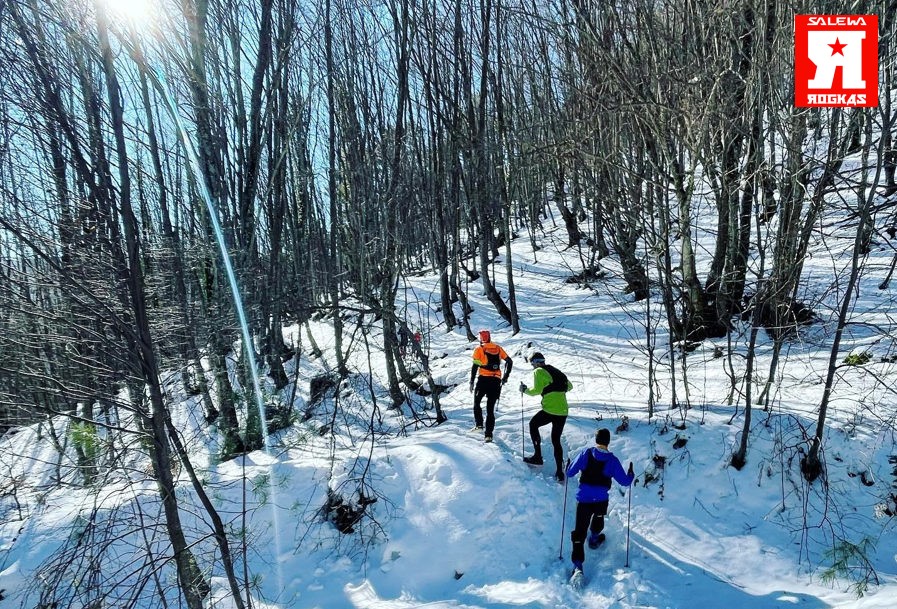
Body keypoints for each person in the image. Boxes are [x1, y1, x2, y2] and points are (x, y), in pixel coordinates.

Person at [565, 428, 634, 579]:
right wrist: (630, 475)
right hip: (601, 500)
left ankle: (577, 567)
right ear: (608, 442)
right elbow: (624, 482)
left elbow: (570, 473)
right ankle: (595, 539)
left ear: (596, 440)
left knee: (579, 531)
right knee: (598, 518)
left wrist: (568, 466)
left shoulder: (586, 454)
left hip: (583, 499)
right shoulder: (612, 460)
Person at [519, 352, 571, 480]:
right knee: (556, 440)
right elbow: (569, 386)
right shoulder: (555, 370)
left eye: (532, 364)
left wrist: (524, 390)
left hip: (549, 409)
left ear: (536, 362)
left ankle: (537, 457)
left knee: (533, 424)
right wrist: (554, 388)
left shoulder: (539, 371)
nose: (533, 367)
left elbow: (536, 391)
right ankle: (560, 472)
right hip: (563, 410)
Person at [469, 330, 513, 442]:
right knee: (490, 409)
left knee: (477, 402)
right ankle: (488, 435)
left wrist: (472, 381)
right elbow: (509, 361)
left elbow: (475, 366)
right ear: (489, 337)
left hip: (483, 380)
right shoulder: (498, 348)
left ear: (481, 339)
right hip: (496, 381)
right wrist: (505, 377)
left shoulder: (479, 349)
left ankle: (479, 425)